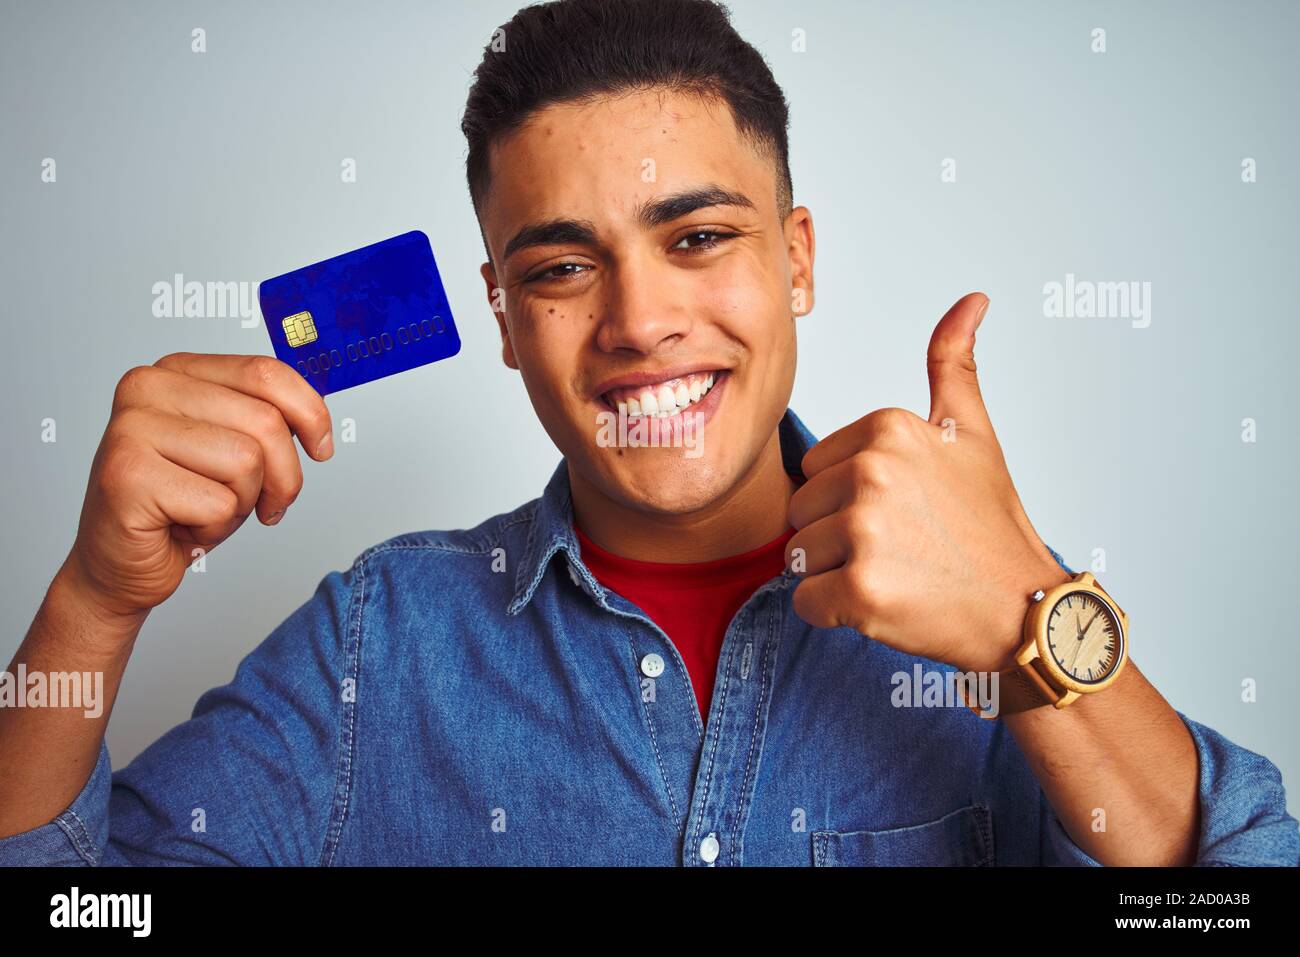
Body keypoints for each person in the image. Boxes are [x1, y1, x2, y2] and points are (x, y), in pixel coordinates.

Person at [1, 0, 1295, 866]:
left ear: (796, 260)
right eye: (563, 268)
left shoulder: (983, 617)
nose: (639, 318)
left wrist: (1032, 614)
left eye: (697, 238)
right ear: (504, 318)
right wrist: (93, 603)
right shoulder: (372, 648)